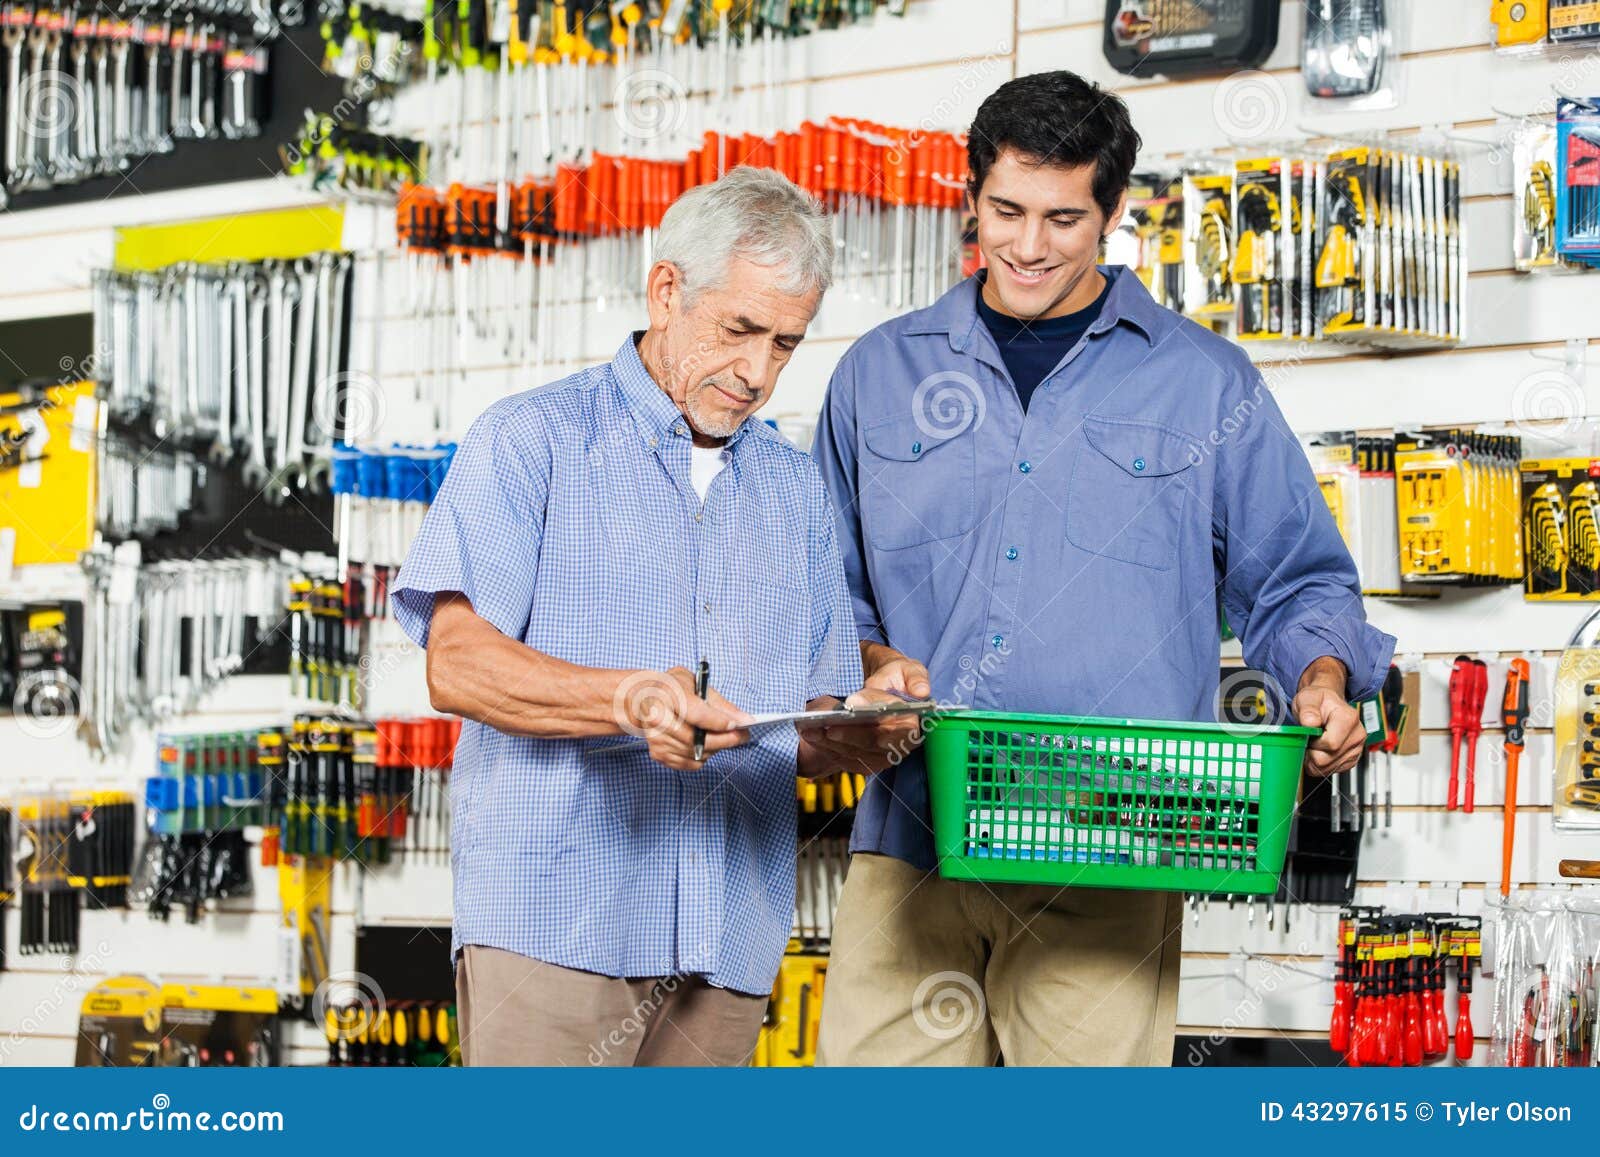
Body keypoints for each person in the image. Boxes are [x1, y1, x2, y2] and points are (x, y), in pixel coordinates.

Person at [807, 70, 1398, 1066]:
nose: (1029, 246)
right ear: (971, 197)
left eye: (1063, 218)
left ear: (1114, 213)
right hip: (910, 833)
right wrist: (866, 659)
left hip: (1112, 841)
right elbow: (823, 586)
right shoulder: (878, 373)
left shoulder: (1202, 381)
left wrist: (1322, 679)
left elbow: (1298, 577)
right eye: (1006, 211)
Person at [391, 166, 865, 1067]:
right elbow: (456, 662)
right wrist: (631, 700)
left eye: (787, 345)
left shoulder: (796, 489)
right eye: (740, 331)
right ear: (665, 288)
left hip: (728, 928)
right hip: (557, 926)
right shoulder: (529, 439)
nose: (758, 372)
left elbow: (809, 718)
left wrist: (863, 726)